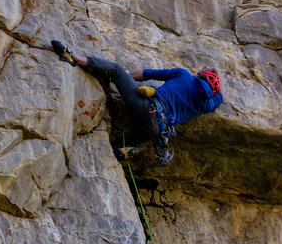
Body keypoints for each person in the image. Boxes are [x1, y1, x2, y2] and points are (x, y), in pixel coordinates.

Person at [51, 40, 225, 165]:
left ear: (201, 74)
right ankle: (120, 150)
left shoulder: (184, 74)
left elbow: (147, 73)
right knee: (121, 144)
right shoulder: (206, 103)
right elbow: (221, 96)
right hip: (156, 130)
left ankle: (74, 57)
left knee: (116, 70)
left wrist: (125, 76)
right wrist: (217, 79)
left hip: (146, 106)